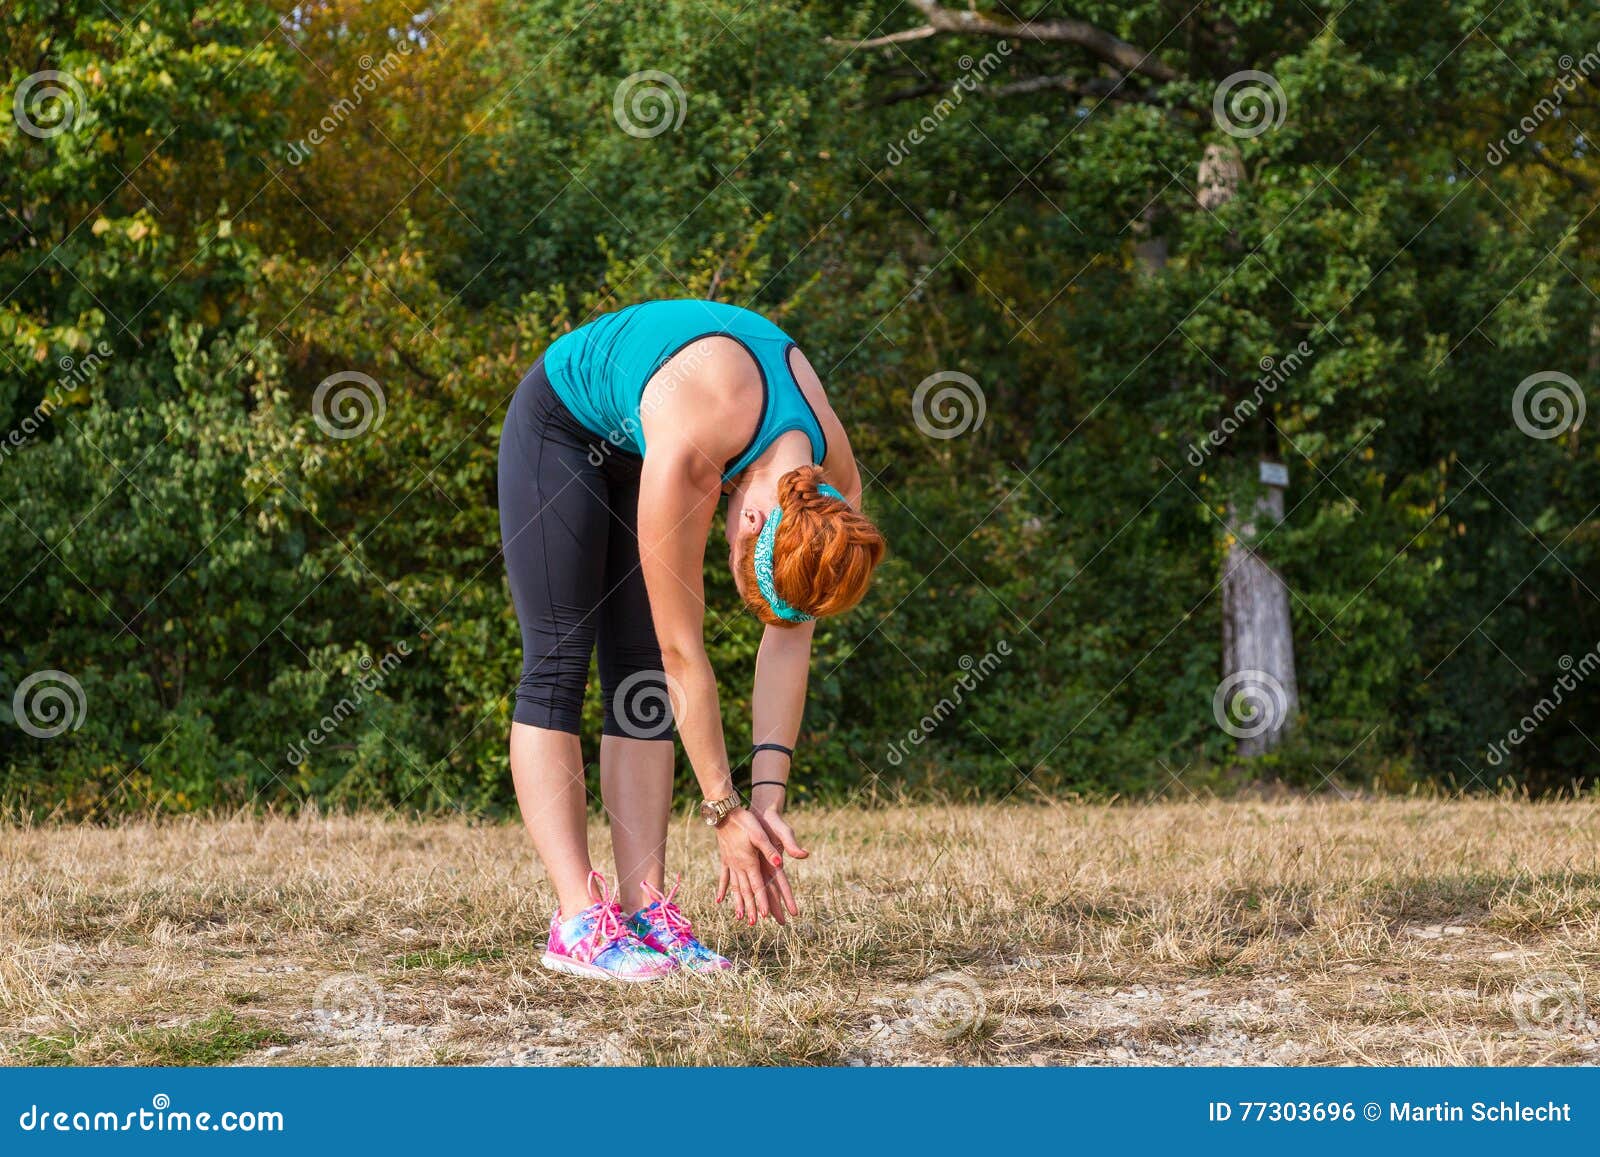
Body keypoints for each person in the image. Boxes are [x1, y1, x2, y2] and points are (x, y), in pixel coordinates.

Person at [497, 298, 886, 981]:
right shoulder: (698, 450)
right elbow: (687, 655)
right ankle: (577, 921)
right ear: (753, 520)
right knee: (561, 661)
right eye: (740, 570)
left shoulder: (831, 495)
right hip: (563, 428)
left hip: (644, 432)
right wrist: (724, 811)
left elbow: (789, 640)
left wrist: (766, 801)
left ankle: (644, 910)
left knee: (637, 668)